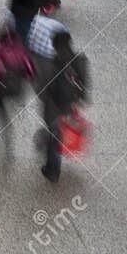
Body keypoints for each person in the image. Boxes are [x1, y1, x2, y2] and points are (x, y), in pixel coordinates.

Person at [38, 29, 88, 183]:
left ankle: (52, 170)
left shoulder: (53, 64)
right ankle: (50, 158)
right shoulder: (80, 60)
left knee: (54, 137)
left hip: (54, 109)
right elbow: (85, 85)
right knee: (58, 135)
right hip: (70, 106)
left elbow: (45, 90)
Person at [0, 24, 33, 147]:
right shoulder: (22, 51)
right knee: (3, 103)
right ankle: (6, 125)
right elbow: (30, 71)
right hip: (15, 88)